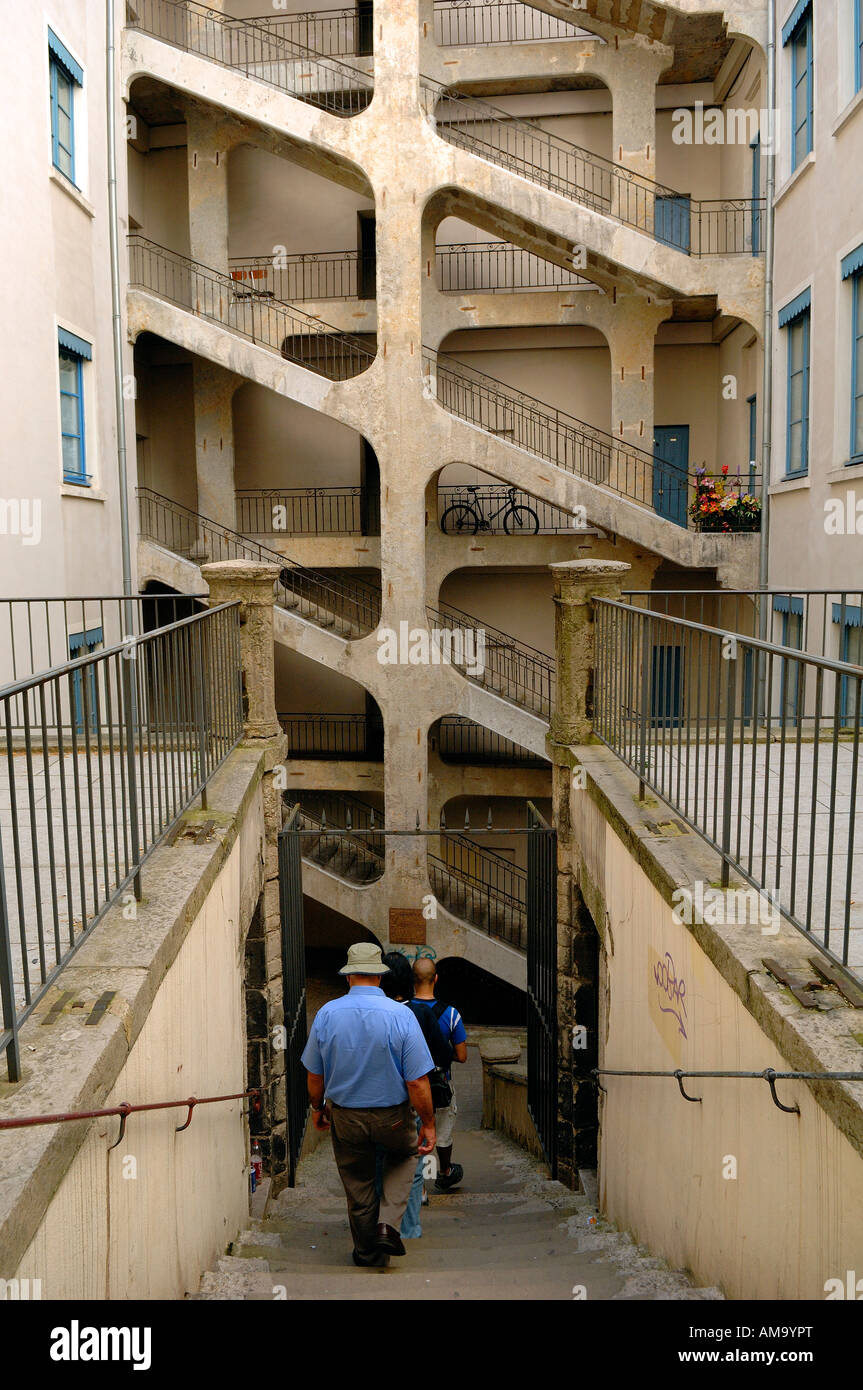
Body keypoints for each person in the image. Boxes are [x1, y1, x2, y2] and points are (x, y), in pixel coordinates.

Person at [301, 942, 436, 1267]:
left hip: (346, 1116)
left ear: (349, 977)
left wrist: (318, 1108)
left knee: (357, 1181)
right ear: (379, 976)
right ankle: (388, 1225)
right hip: (393, 1116)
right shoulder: (402, 1015)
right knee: (404, 1158)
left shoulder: (326, 1015)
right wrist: (428, 1124)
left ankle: (365, 1251)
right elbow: (417, 1081)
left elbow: (314, 1074)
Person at [376, 951, 426, 1239]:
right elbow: (423, 1075)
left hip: (375, 1100)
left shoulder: (374, 1014)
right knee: (412, 1167)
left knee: (378, 1165)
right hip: (407, 1102)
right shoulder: (418, 1014)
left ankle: (380, 1226)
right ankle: (407, 1228)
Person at [411, 957, 467, 1191]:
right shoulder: (452, 1014)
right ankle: (444, 1171)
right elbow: (462, 1056)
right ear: (436, 979)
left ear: (412, 980)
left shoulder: (402, 1011)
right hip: (440, 1083)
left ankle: (418, 1187)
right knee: (442, 1132)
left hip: (411, 1084)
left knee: (414, 1135)